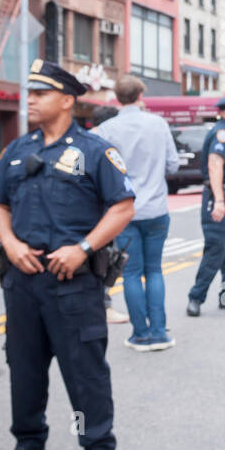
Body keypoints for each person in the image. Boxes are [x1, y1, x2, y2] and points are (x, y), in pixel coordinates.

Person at [0, 59, 136, 450]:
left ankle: (97, 448)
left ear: (68, 100)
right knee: (24, 366)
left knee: (83, 369)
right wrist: (11, 245)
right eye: (29, 93)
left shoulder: (94, 151)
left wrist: (84, 247)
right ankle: (29, 442)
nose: (30, 100)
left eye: (41, 93)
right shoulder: (16, 151)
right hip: (22, 280)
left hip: (74, 284)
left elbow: (123, 206)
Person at [93, 76, 181, 352]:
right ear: (141, 95)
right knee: (154, 270)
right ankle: (159, 332)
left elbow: (95, 171)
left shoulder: (105, 130)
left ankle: (140, 335)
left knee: (131, 274)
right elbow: (174, 165)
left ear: (117, 98)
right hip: (156, 209)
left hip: (123, 212)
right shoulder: (158, 124)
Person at [185, 93, 225, 316]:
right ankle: (196, 297)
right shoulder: (221, 133)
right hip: (218, 200)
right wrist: (219, 199)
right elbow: (215, 165)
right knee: (216, 250)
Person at [90, 104, 129, 326]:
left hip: (89, 209)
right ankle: (104, 305)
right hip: (103, 209)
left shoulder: (80, 142)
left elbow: (75, 176)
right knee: (107, 259)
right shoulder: (104, 144)